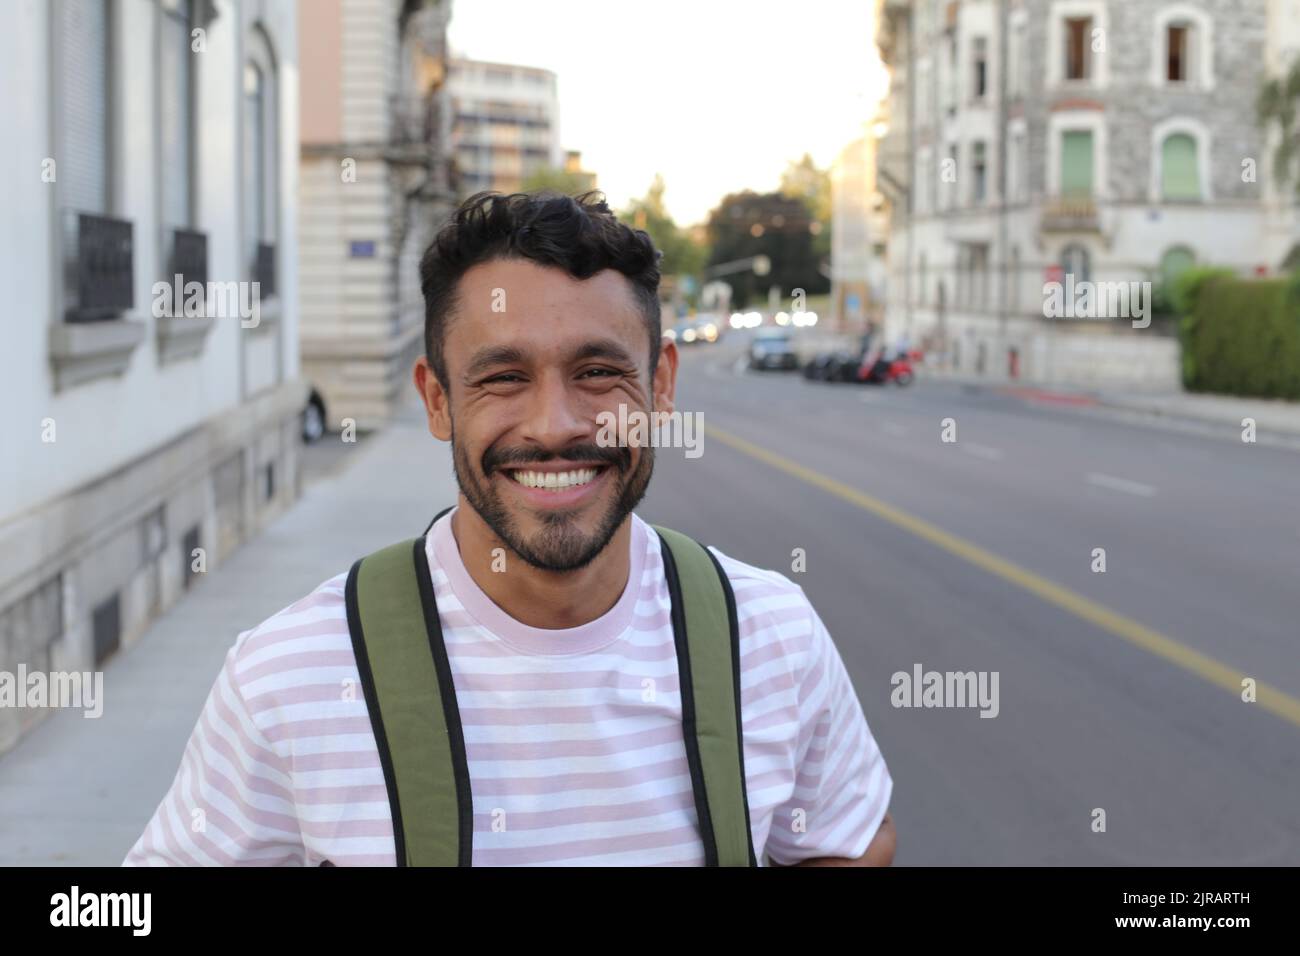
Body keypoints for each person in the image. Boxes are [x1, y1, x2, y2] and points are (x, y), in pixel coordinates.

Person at [123, 191, 895, 867]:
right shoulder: (288, 677)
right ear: (436, 400)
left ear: (661, 384)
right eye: (502, 378)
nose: (555, 426)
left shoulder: (773, 636)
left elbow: (851, 840)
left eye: (598, 372)